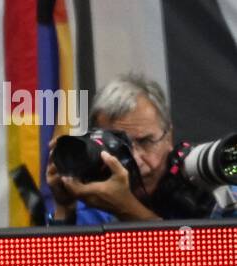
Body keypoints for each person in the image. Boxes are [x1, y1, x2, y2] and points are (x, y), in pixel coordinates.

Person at [46, 73, 236, 224]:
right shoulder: (92, 201)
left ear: (168, 137)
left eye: (145, 141)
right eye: (119, 147)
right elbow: (63, 262)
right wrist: (64, 209)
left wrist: (127, 210)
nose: (136, 159)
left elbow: (210, 260)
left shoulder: (214, 192)